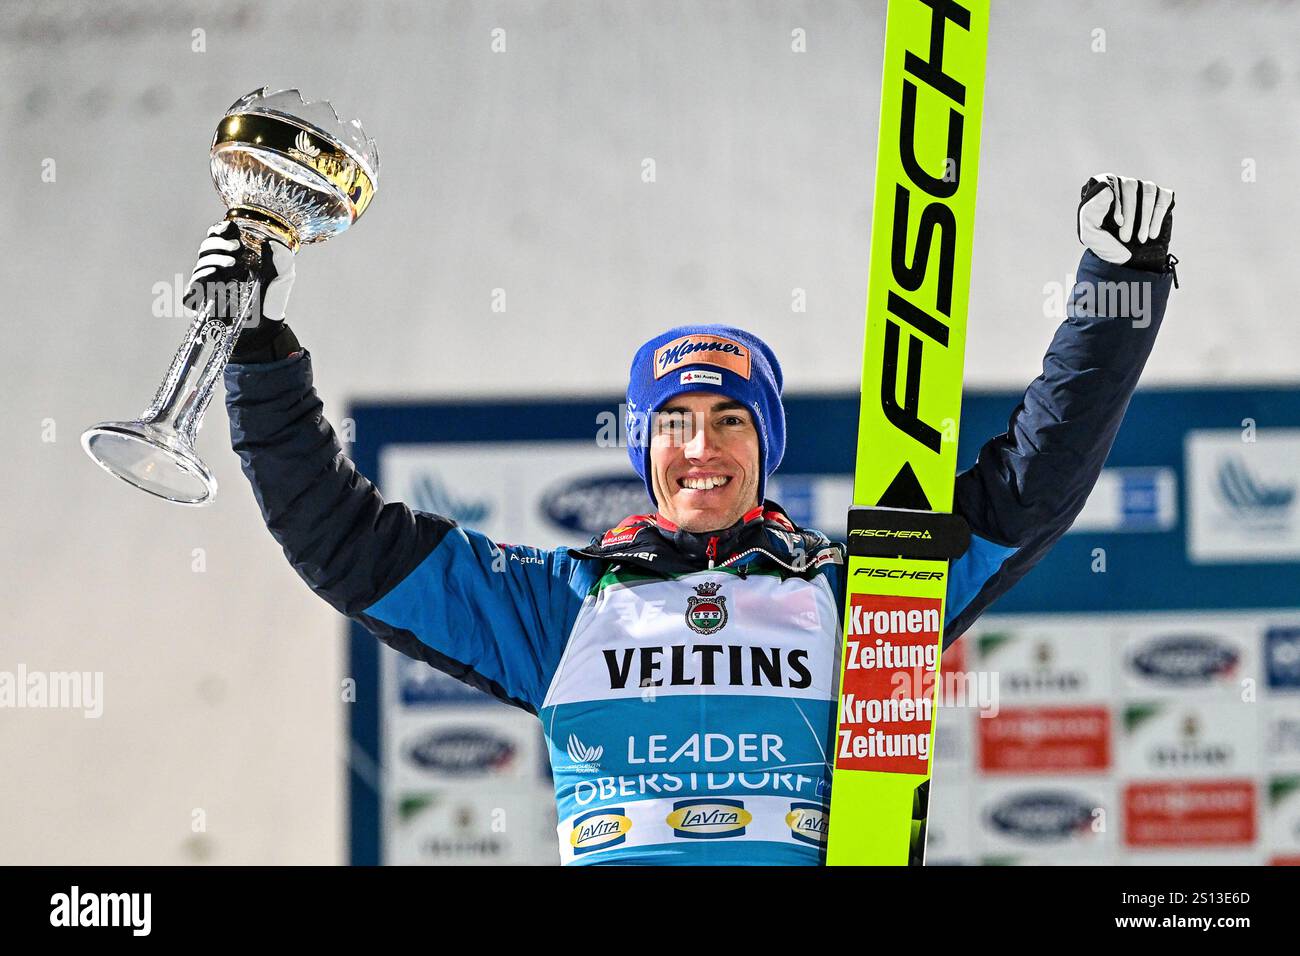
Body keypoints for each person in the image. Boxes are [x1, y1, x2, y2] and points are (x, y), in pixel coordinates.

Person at [196, 173, 1177, 865]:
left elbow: (1027, 490)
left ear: (766, 442)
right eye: (674, 421)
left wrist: (1116, 295)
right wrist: (255, 348)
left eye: (727, 419)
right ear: (643, 444)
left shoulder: (859, 589)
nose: (699, 445)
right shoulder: (559, 603)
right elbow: (340, 540)